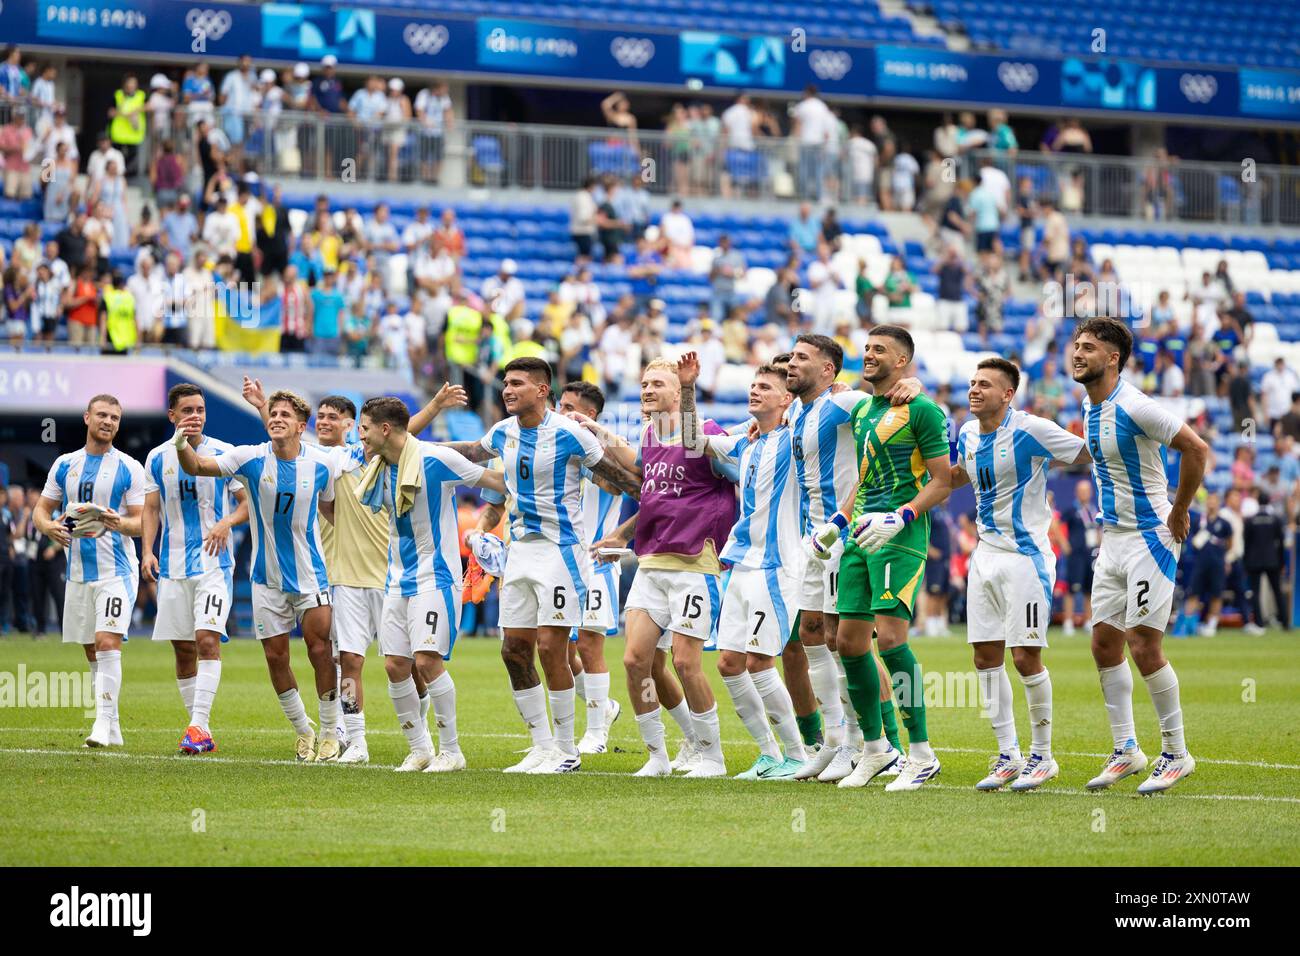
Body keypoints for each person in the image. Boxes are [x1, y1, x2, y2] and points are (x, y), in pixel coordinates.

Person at [441, 358, 642, 774]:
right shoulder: (503, 432)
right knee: (514, 650)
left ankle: (567, 751)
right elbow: (473, 452)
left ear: (541, 389)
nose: (507, 390)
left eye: (517, 384)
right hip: (519, 552)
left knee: (554, 648)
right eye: (505, 384)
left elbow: (626, 481)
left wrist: (629, 531)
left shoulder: (570, 434)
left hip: (561, 552)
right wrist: (416, 445)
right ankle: (541, 746)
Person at [810, 325, 953, 791]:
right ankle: (875, 749)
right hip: (859, 535)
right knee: (849, 643)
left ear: (903, 362)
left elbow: (942, 481)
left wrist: (903, 515)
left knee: (890, 640)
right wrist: (838, 522)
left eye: (880, 351)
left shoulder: (923, 410)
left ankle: (922, 752)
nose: (869, 355)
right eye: (867, 348)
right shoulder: (866, 409)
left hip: (899, 536)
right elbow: (864, 479)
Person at [1070, 316, 1209, 793]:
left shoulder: (1135, 404)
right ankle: (1127, 749)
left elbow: (1197, 449)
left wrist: (1180, 510)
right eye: (1076, 344)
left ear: (1113, 358)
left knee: (1144, 645)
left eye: (1088, 347)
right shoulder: (1090, 407)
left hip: (1150, 536)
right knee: (1103, 644)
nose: (1077, 352)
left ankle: (1176, 753)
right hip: (1112, 541)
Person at [583, 359, 740, 776]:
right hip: (652, 562)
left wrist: (689, 389)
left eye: (657, 384)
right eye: (644, 383)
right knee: (636, 661)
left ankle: (712, 756)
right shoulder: (651, 434)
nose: (647, 389)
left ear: (678, 390)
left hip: (694, 563)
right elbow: (642, 469)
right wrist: (597, 432)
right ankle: (658, 756)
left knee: (687, 663)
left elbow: (730, 469)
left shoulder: (707, 435)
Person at [175, 390, 341, 762]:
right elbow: (197, 467)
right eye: (273, 413)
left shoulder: (321, 466)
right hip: (266, 579)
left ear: (301, 426)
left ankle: (331, 732)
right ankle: (304, 731)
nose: (277, 418)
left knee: (320, 652)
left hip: (311, 576)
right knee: (276, 658)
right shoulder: (248, 457)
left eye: (285, 414)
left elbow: (331, 510)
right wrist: (181, 442)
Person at [782, 336, 921, 781]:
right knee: (812, 633)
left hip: (847, 532)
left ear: (828, 371)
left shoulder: (845, 404)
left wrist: (912, 384)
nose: (792, 362)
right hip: (814, 537)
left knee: (846, 639)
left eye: (802, 358)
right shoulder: (793, 412)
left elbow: (888, 400)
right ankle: (839, 741)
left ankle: (879, 744)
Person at [950, 359, 1088, 790]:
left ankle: (1043, 756)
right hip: (985, 555)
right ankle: (1008, 754)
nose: (974, 390)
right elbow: (961, 474)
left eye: (985, 384)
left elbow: (1083, 451)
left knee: (1025, 656)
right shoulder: (968, 433)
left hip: (1025, 556)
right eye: (972, 382)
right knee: (983, 656)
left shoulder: (1032, 429)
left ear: (1008, 394)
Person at [351, 396, 507, 771]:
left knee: (426, 661)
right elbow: (404, 436)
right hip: (397, 578)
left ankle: (452, 751)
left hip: (436, 577)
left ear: (383, 429)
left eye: (364, 428)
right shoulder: (374, 465)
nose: (360, 436)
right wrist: (435, 406)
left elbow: (495, 483)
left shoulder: (437, 459)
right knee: (394, 665)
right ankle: (419, 749)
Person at [678, 356, 808, 778]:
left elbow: (835, 411)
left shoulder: (797, 440)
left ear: (788, 399)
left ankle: (797, 754)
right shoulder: (745, 442)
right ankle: (768, 753)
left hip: (777, 566)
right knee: (729, 663)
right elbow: (693, 439)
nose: (755, 391)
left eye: (766, 388)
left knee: (759, 662)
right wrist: (687, 389)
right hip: (739, 563)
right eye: (754, 386)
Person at [32, 395, 147, 747]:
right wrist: (48, 528)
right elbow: (42, 510)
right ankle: (112, 727)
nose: (109, 421)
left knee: (106, 641)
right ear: (87, 417)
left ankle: (100, 723)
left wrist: (117, 523)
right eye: (102, 415)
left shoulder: (130, 467)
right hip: (79, 572)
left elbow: (142, 523)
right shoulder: (65, 464)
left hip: (117, 570)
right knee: (90, 649)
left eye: (114, 417)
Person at [141, 384, 249, 754]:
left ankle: (197, 726)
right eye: (187, 410)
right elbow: (151, 510)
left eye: (200, 409)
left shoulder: (224, 454)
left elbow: (246, 503)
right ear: (172, 415)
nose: (195, 416)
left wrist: (227, 523)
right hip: (172, 566)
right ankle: (199, 731)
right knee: (183, 649)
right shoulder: (156, 457)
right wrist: (147, 552)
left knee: (207, 640)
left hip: (214, 564)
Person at [555, 382, 624, 754]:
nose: (560, 412)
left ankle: (596, 732)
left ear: (589, 415)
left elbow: (616, 486)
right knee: (559, 648)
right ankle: (607, 707)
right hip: (560, 561)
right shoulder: (552, 445)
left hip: (596, 560)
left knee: (590, 644)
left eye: (568, 408)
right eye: (559, 405)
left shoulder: (601, 451)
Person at [1243, 492, 1288, 630]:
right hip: (1272, 560)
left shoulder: (1251, 520)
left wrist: (1246, 562)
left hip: (1254, 561)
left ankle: (1259, 622)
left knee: (1255, 592)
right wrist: (1282, 563)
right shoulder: (1276, 519)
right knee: (1277, 591)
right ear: (1269, 501)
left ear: (1258, 502)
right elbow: (1280, 543)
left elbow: (1246, 543)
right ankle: (1285, 622)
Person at [1062, 479, 1099, 635]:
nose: (1084, 494)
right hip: (1076, 555)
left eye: (1087, 491)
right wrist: (1065, 544)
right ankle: (1068, 621)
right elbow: (1057, 524)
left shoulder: (1094, 510)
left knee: (1089, 589)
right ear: (1077, 493)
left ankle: (1088, 621)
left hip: (1090, 554)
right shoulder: (1072, 510)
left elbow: (1097, 529)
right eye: (1081, 491)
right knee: (1072, 588)